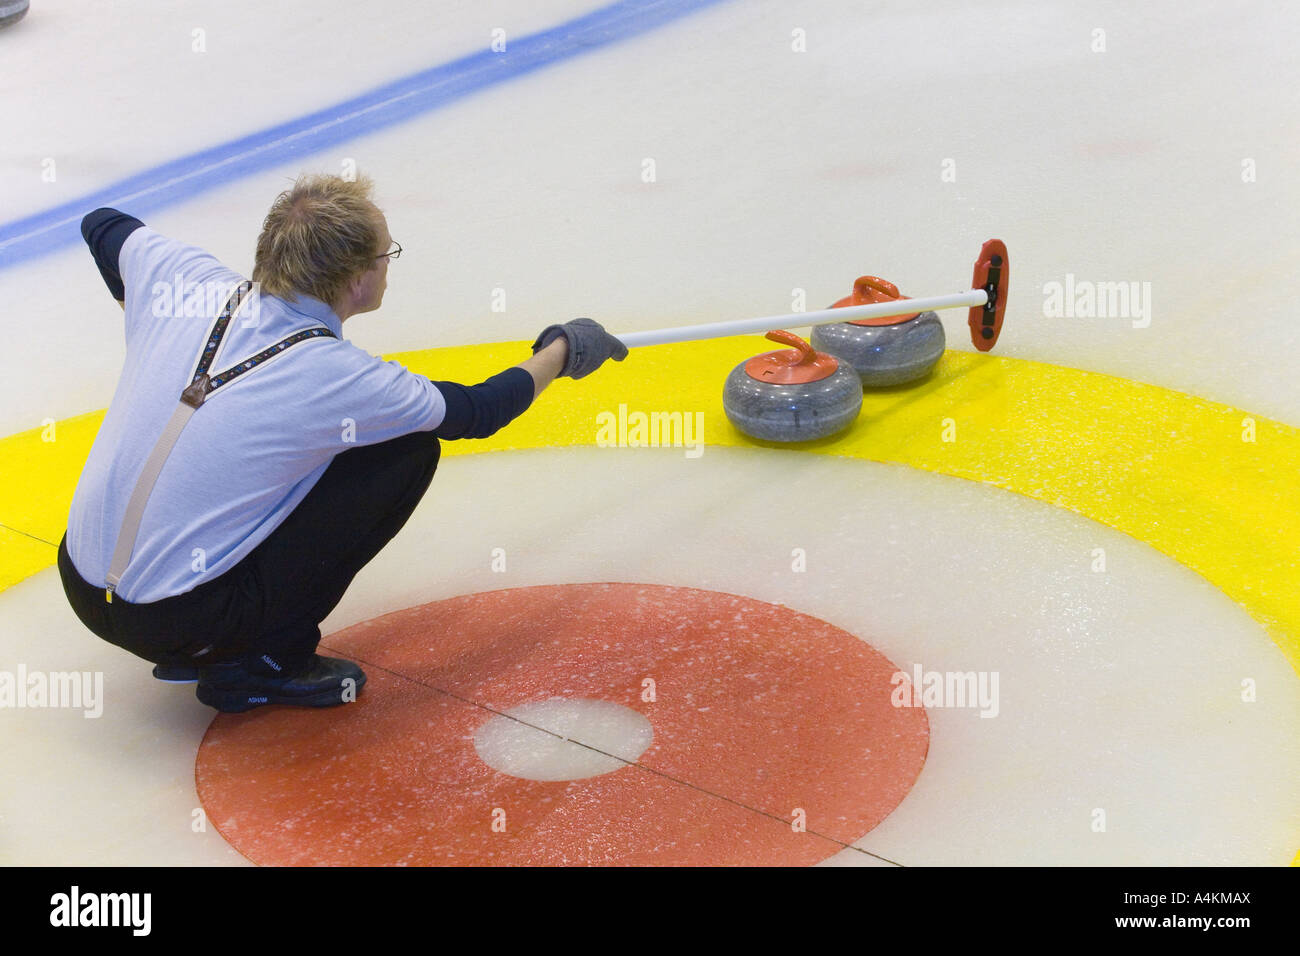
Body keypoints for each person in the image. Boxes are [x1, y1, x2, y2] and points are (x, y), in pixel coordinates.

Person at [56, 173, 627, 713]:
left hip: (79, 584)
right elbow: (476, 412)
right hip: (177, 620)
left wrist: (141, 314)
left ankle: (216, 634)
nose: (389, 265)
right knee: (404, 452)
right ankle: (262, 665)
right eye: (387, 254)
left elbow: (102, 224)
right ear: (358, 278)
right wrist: (562, 349)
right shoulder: (338, 378)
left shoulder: (187, 280)